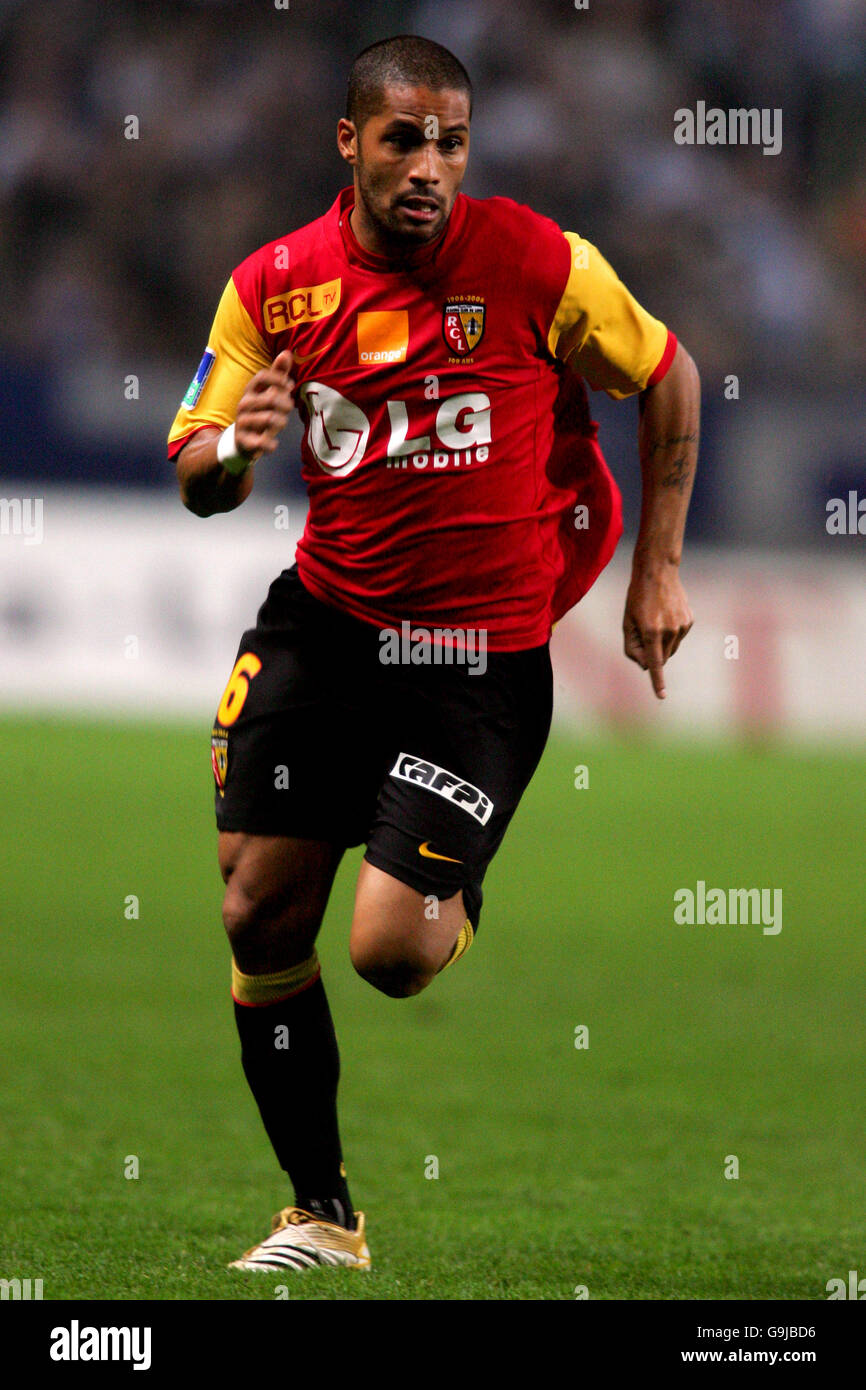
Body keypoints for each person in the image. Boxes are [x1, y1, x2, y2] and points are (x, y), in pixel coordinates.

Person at [167, 34, 700, 1273]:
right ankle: (320, 1215)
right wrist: (239, 451)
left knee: (392, 952)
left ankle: (447, 882)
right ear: (348, 143)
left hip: (475, 653)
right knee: (256, 908)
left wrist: (659, 566)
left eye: (451, 141)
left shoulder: (537, 262)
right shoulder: (272, 285)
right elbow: (198, 470)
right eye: (403, 139)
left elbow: (667, 376)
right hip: (326, 626)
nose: (429, 166)